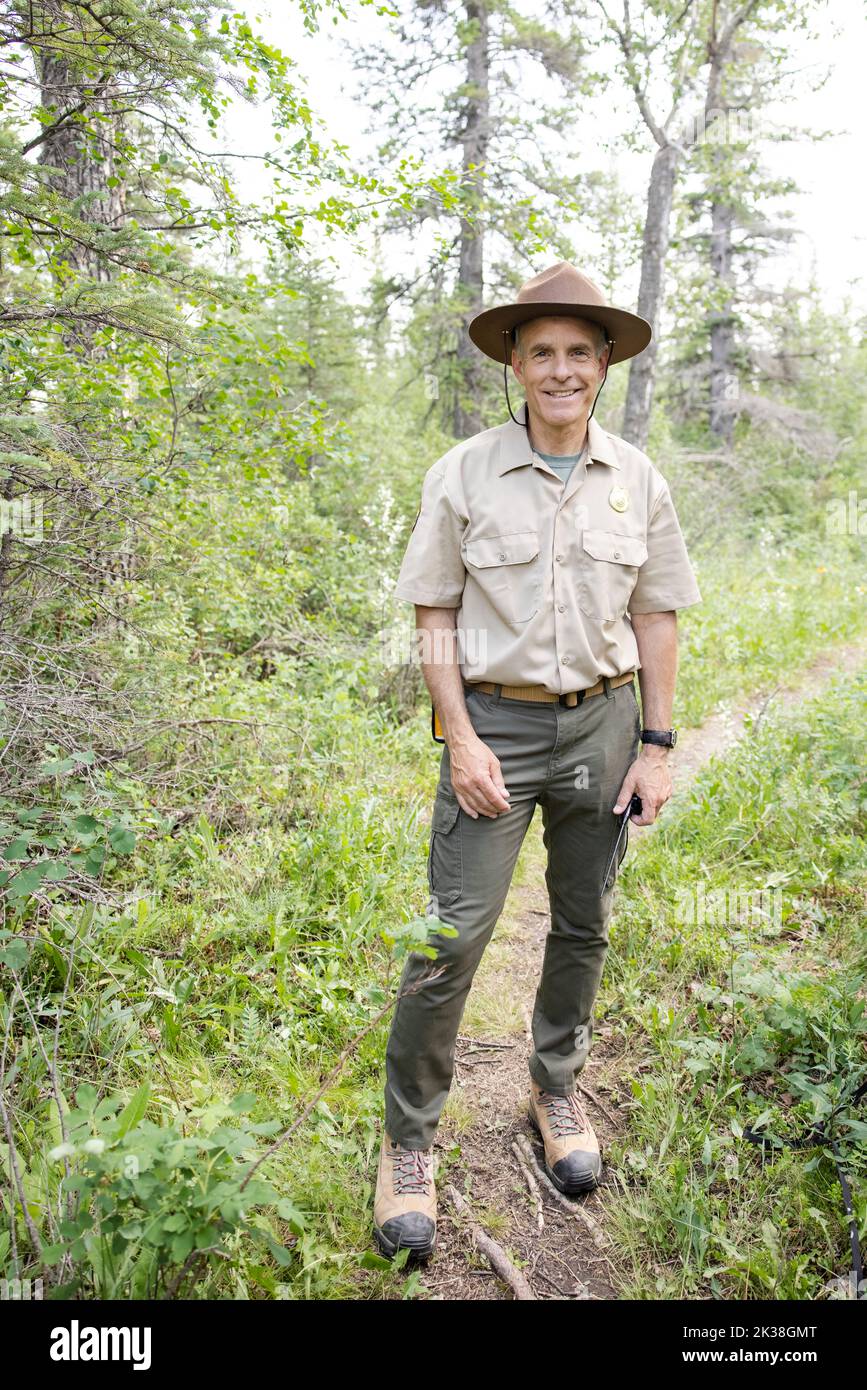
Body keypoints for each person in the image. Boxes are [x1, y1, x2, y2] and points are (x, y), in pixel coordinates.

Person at [373, 261, 702, 1262]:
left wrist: (654, 744)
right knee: (451, 936)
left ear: (603, 364)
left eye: (578, 351)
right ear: (514, 362)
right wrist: (459, 735)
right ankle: (407, 1142)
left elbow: (657, 613)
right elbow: (433, 612)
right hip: (496, 726)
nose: (560, 369)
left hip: (603, 727)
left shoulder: (635, 479)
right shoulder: (464, 472)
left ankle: (555, 1086)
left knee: (584, 919)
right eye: (541, 351)